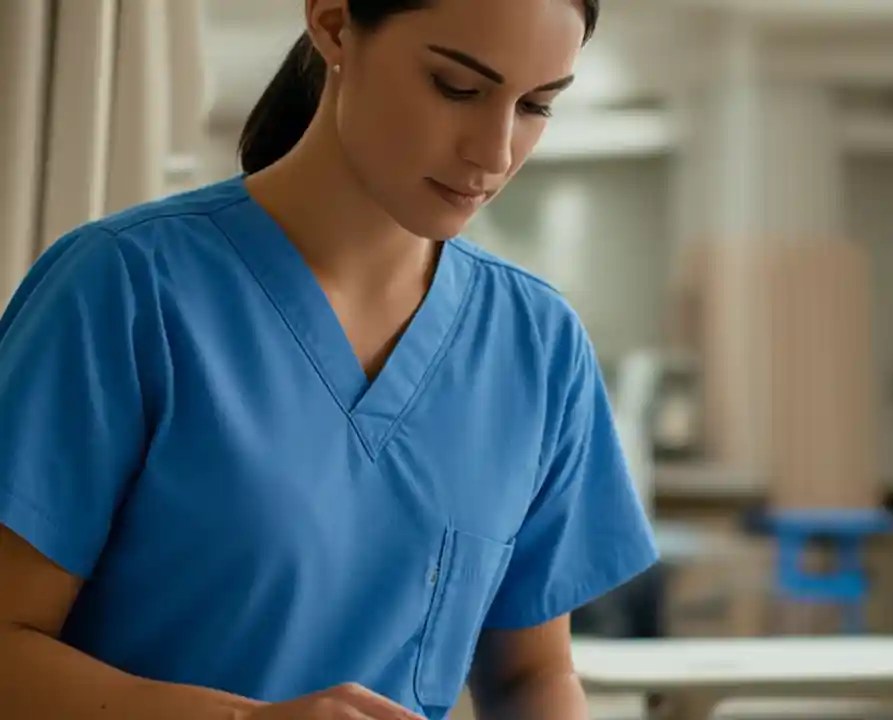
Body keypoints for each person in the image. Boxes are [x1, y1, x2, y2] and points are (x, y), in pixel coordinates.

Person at [0, 0, 658, 718]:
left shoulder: (536, 343)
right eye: (456, 88)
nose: (495, 153)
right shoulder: (125, 291)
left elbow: (531, 674)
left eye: (534, 106)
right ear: (335, 23)